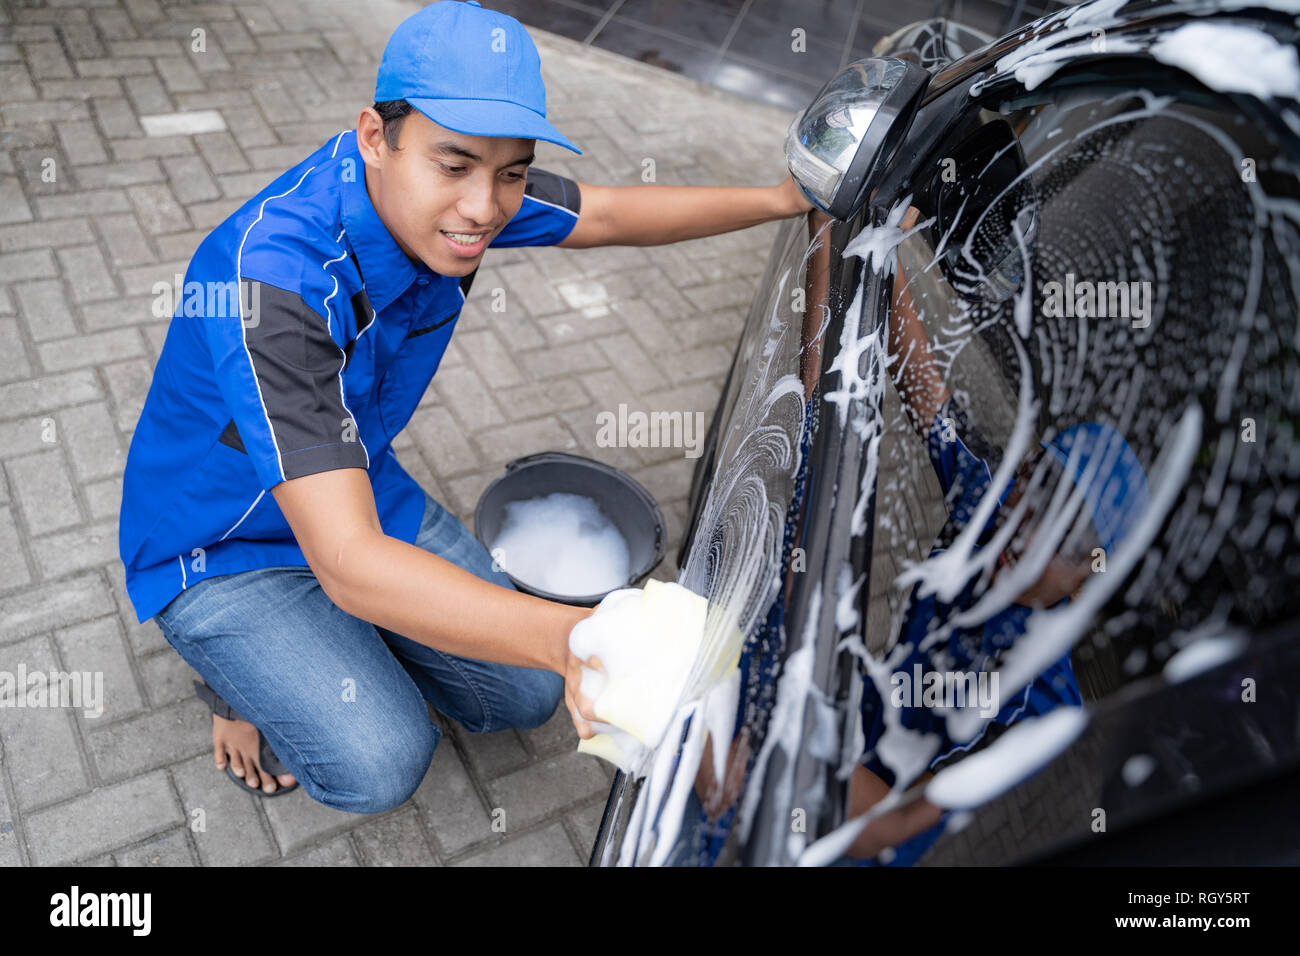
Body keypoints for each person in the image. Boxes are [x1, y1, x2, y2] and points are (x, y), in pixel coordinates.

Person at [117, 0, 813, 806]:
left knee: (523, 696)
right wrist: (581, 638)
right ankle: (235, 683)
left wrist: (779, 200)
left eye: (510, 171)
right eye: (455, 166)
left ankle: (347, 639)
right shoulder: (274, 281)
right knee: (382, 761)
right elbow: (346, 563)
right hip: (220, 545)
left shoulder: (450, 206)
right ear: (376, 139)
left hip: (353, 486)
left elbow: (610, 212)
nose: (484, 208)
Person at [843, 213, 1150, 864]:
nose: (1025, 534)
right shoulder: (986, 509)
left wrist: (774, 733)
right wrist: (889, 247)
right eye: (1034, 490)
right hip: (853, 737)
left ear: (1090, 578)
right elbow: (926, 390)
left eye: (1064, 537)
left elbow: (885, 829)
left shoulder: (1038, 714)